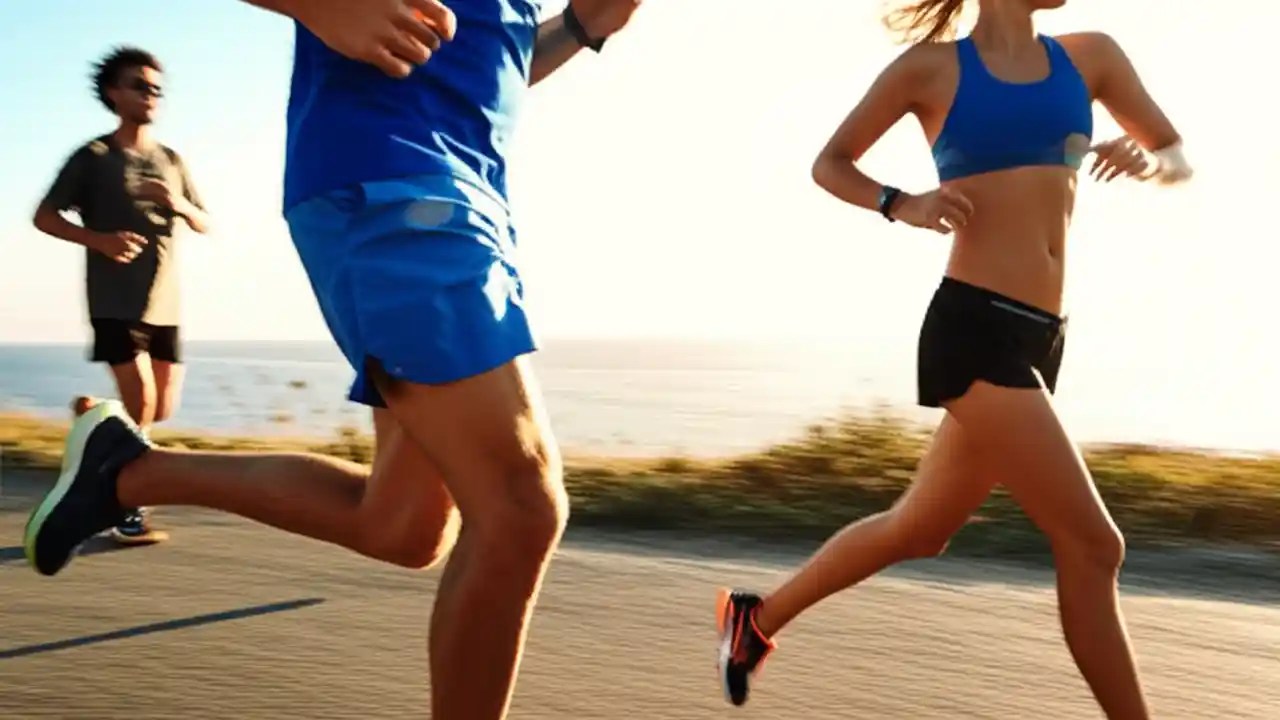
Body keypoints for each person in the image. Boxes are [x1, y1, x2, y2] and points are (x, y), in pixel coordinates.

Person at [24, 1, 645, 719]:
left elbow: (480, 56)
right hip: (394, 187)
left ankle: (126, 470)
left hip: (461, 200)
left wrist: (581, 26)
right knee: (519, 506)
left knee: (405, 527)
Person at [714, 0, 1193, 717]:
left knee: (920, 529)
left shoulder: (1091, 56)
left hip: (1041, 334)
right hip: (974, 329)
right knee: (1095, 546)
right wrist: (899, 202)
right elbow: (830, 163)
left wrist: (1149, 160)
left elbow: (1177, 155)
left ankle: (754, 622)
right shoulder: (930, 69)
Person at [32, 47, 210, 545]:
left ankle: (93, 417)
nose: (150, 94)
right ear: (114, 94)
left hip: (165, 302)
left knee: (160, 408)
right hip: (114, 300)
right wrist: (100, 240)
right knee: (143, 403)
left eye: (155, 87)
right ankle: (128, 509)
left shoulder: (172, 159)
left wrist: (178, 204)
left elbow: (205, 220)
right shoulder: (93, 158)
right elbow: (44, 217)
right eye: (139, 85)